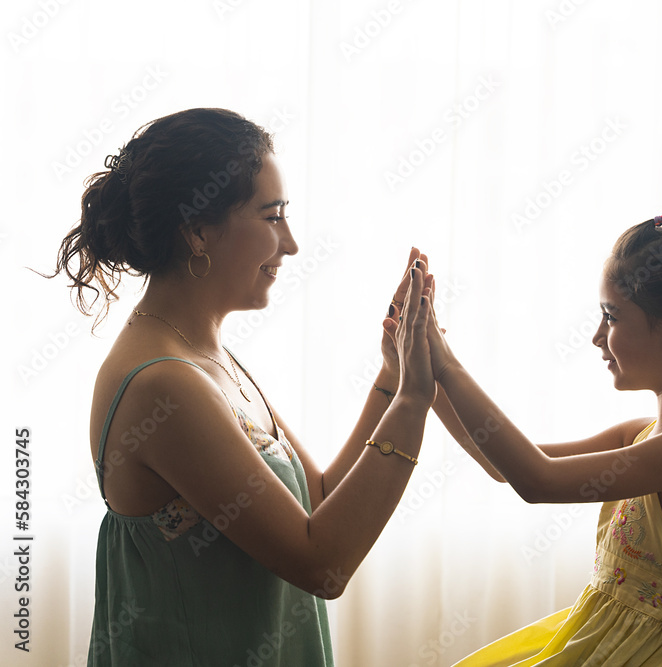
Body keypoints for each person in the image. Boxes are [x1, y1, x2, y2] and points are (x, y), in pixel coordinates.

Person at [52, 108, 440, 666]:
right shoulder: (163, 385)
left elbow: (323, 500)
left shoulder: (207, 357)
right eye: (273, 216)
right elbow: (321, 565)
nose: (291, 244)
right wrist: (412, 405)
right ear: (198, 230)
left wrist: (390, 378)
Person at [414, 212, 662, 667]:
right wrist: (427, 380)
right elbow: (505, 465)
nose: (596, 337)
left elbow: (537, 481)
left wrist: (447, 366)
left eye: (611, 317)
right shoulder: (643, 435)